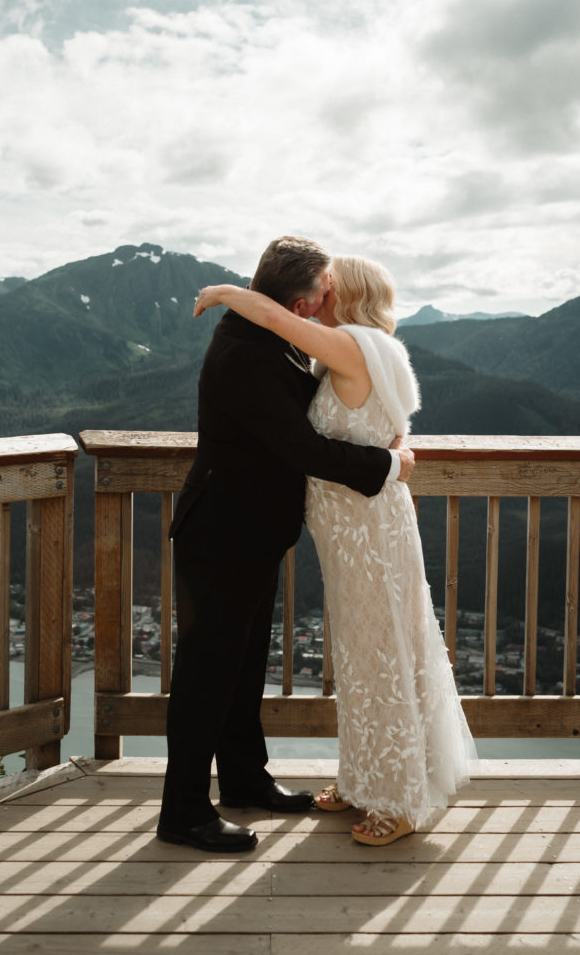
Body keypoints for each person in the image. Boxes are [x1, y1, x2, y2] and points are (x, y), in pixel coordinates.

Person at [193, 254, 476, 846]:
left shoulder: (349, 343)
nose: (319, 297)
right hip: (360, 528)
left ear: (342, 295)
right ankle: (364, 776)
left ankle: (398, 800)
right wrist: (396, 458)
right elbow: (390, 427)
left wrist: (225, 291)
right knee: (359, 653)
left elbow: (277, 319)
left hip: (365, 532)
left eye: (327, 287)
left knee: (381, 656)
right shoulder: (378, 349)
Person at [157, 237, 416, 853]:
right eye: (325, 292)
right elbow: (303, 450)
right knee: (206, 675)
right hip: (220, 535)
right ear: (301, 303)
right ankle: (184, 811)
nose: (332, 300)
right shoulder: (245, 352)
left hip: (253, 533)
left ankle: (245, 781)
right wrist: (388, 464)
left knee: (243, 668)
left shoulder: (274, 336)